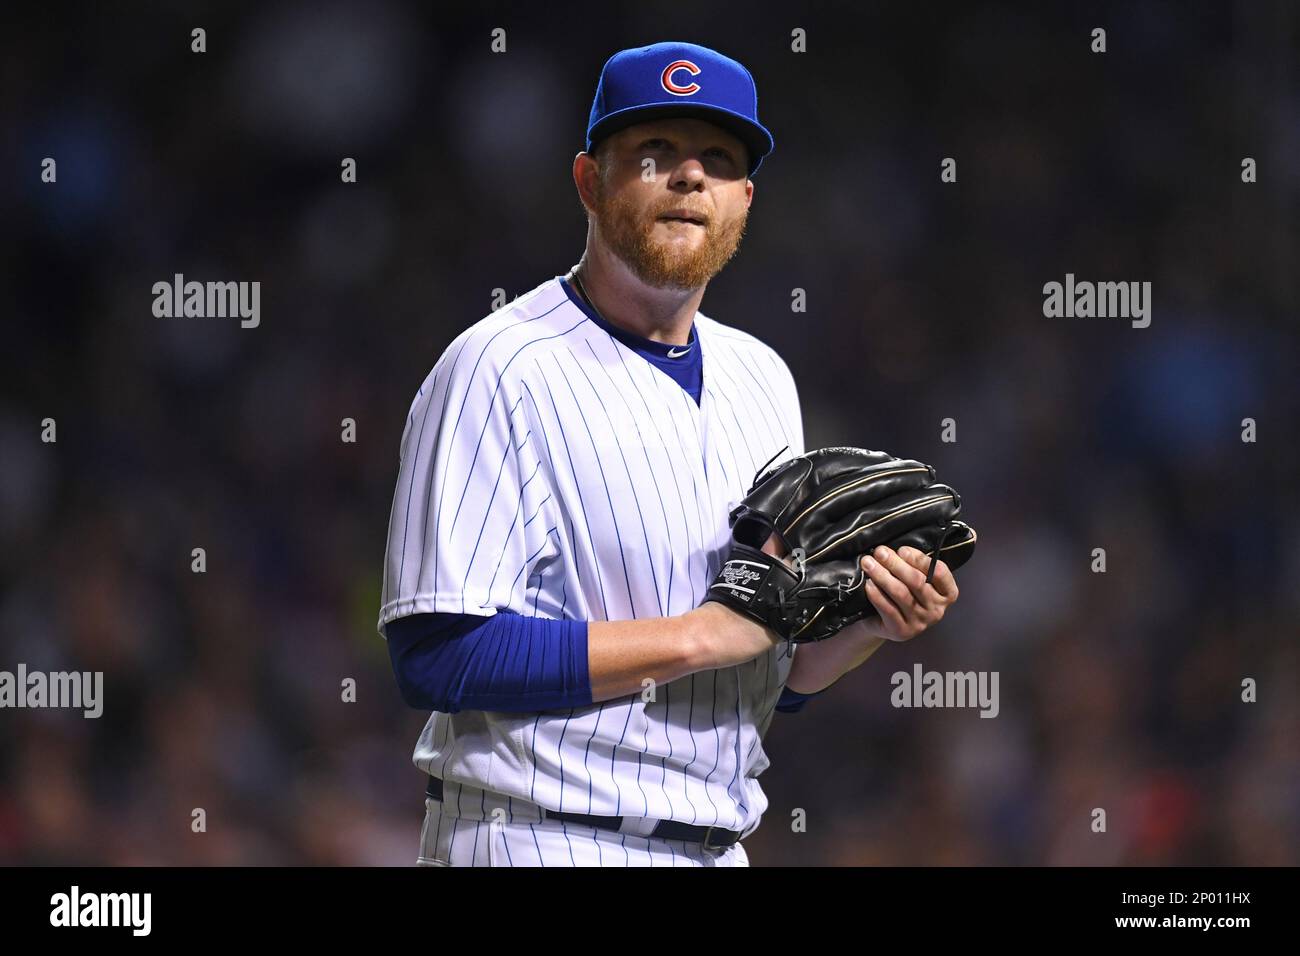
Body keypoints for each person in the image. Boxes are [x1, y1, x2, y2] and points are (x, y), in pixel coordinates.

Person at [377, 40, 960, 867]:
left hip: (717, 845)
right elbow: (436, 657)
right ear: (589, 180)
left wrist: (868, 623)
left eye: (717, 160)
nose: (690, 177)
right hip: (536, 836)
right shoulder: (498, 366)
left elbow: (760, 677)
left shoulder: (763, 378)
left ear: (744, 199)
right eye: (655, 154)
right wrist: (698, 636)